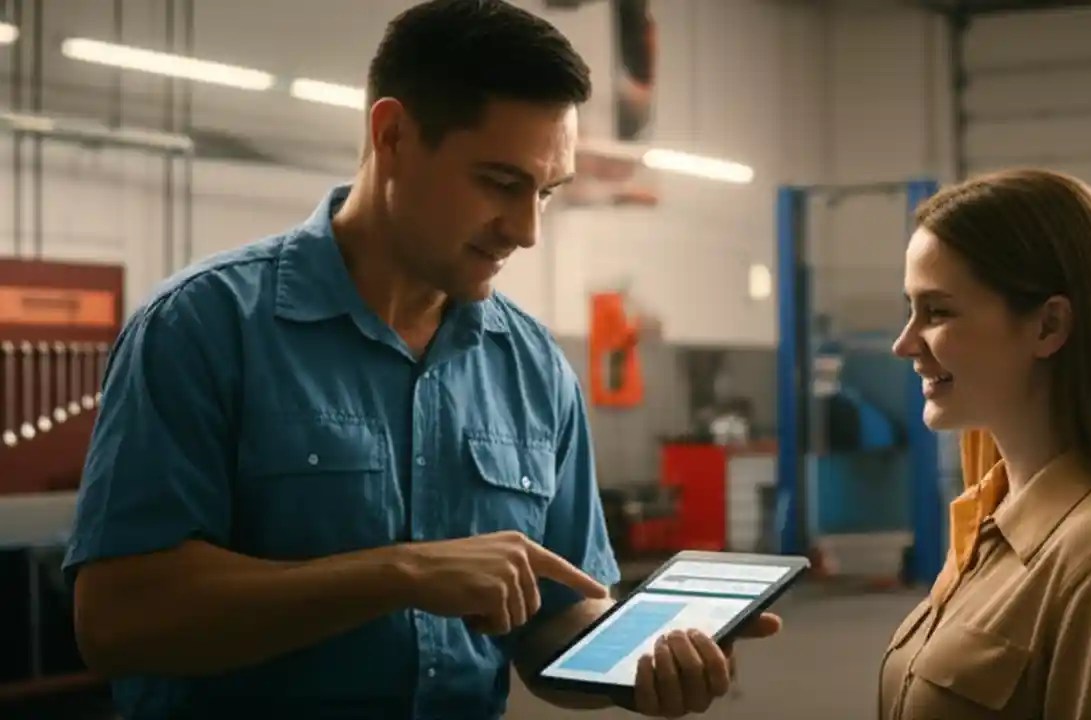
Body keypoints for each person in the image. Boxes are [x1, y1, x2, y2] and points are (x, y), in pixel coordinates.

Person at [62, 2, 778, 718]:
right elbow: (118, 620)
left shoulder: (533, 369)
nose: (527, 230)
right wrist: (397, 574)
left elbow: (556, 618)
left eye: (547, 194)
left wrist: (636, 662)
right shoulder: (201, 328)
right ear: (393, 135)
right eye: (500, 183)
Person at [883, 168, 1091, 719]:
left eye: (938, 311)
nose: (905, 344)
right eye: (910, 309)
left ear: (1048, 326)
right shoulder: (990, 521)